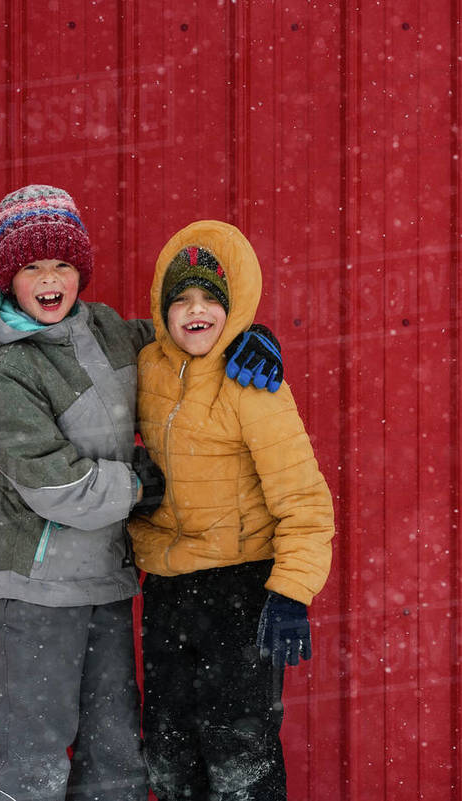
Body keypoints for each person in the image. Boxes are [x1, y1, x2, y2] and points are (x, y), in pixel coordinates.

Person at [0, 186, 284, 801]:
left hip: (108, 580)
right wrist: (137, 483)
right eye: (32, 266)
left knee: (114, 759)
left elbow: (185, 342)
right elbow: (54, 481)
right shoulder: (5, 369)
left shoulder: (109, 331)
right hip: (38, 586)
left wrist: (250, 335)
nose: (49, 279)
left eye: (62, 263)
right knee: (32, 762)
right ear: (9, 278)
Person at [130, 220, 334, 801]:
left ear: (233, 307)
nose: (196, 310)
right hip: (168, 590)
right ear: (162, 310)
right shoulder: (146, 367)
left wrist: (292, 591)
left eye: (211, 298)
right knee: (169, 754)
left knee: (240, 757)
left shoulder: (253, 383)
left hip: (240, 593)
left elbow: (304, 500)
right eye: (181, 299)